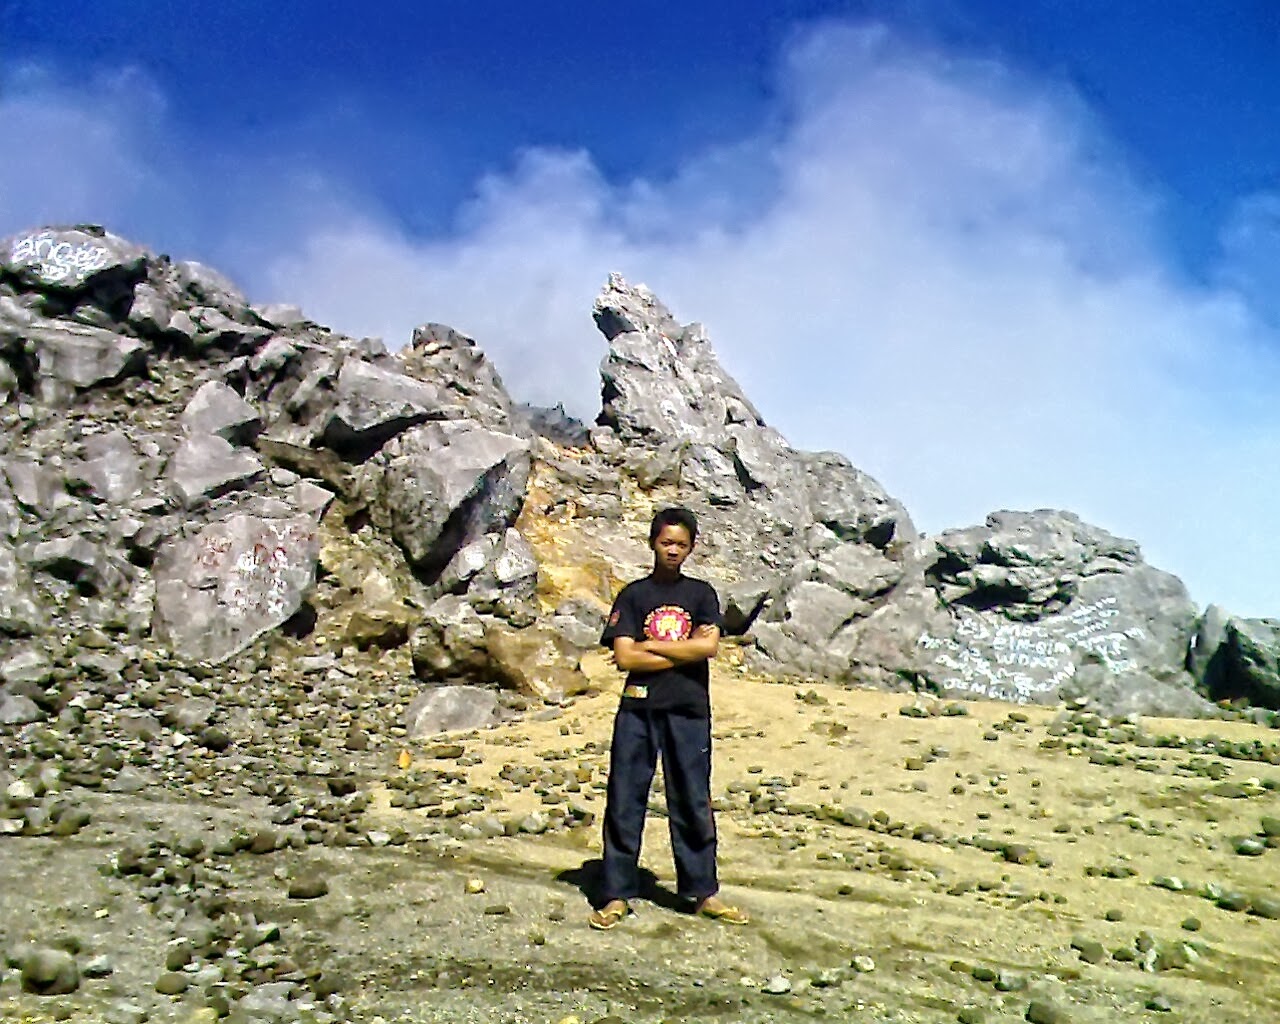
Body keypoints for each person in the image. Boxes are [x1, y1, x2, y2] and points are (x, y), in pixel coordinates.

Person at [588, 506, 749, 930]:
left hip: (688, 710)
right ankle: (617, 893)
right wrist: (682, 650)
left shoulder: (701, 595)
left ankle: (701, 891)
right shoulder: (634, 595)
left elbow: (708, 649)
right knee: (624, 799)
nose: (673, 551)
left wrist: (651, 648)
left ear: (691, 547)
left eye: (681, 544)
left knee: (693, 800)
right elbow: (624, 656)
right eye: (666, 543)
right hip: (638, 711)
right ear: (652, 543)